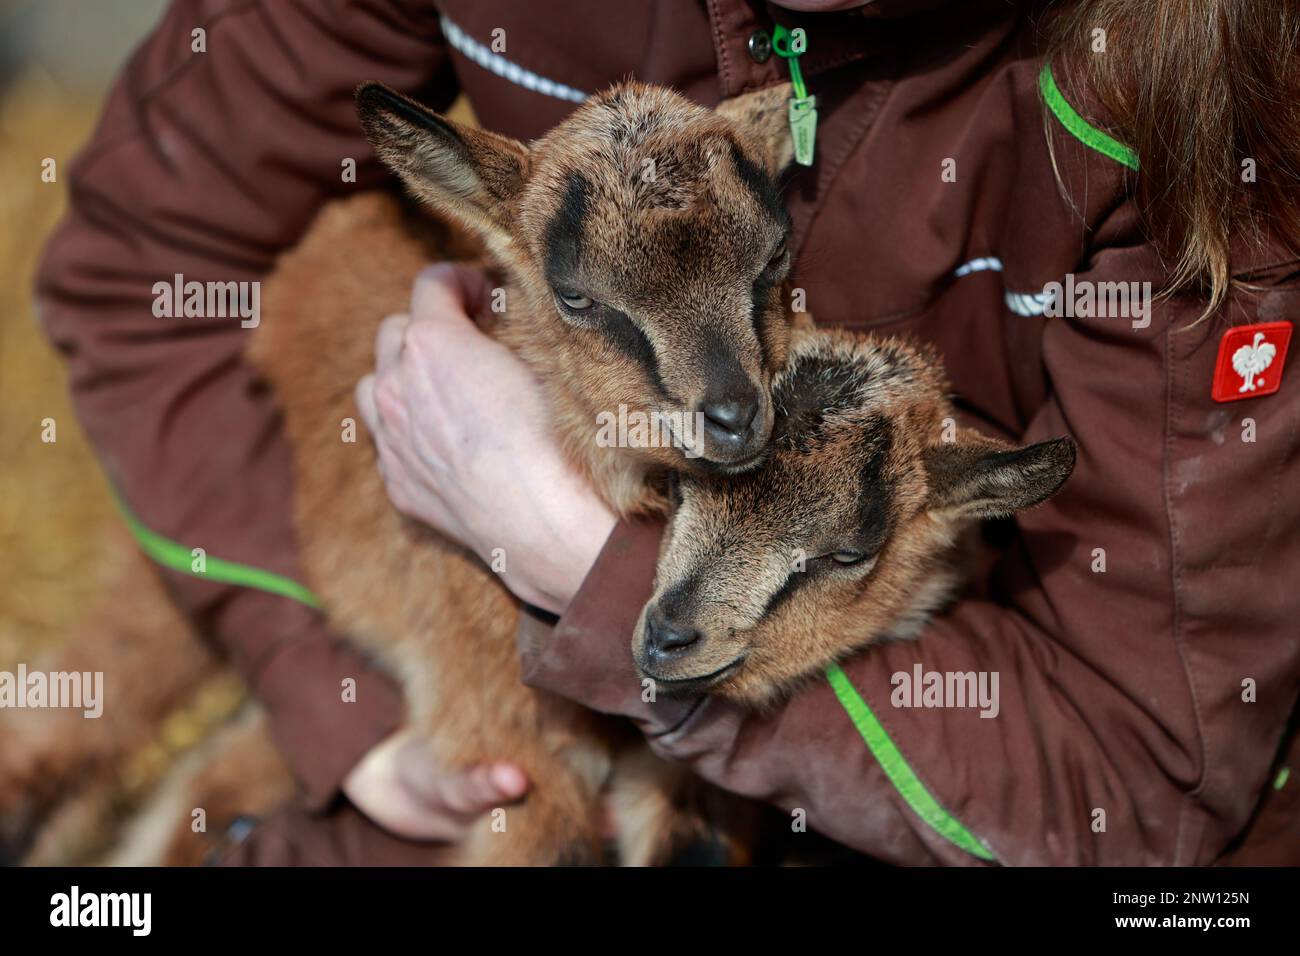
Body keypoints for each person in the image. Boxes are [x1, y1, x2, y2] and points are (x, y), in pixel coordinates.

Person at [36, 0, 1300, 865]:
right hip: (472, 602)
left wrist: (583, 564)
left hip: (904, 744)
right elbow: (146, 261)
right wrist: (334, 701)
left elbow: (1150, 762)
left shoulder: (1179, 79)